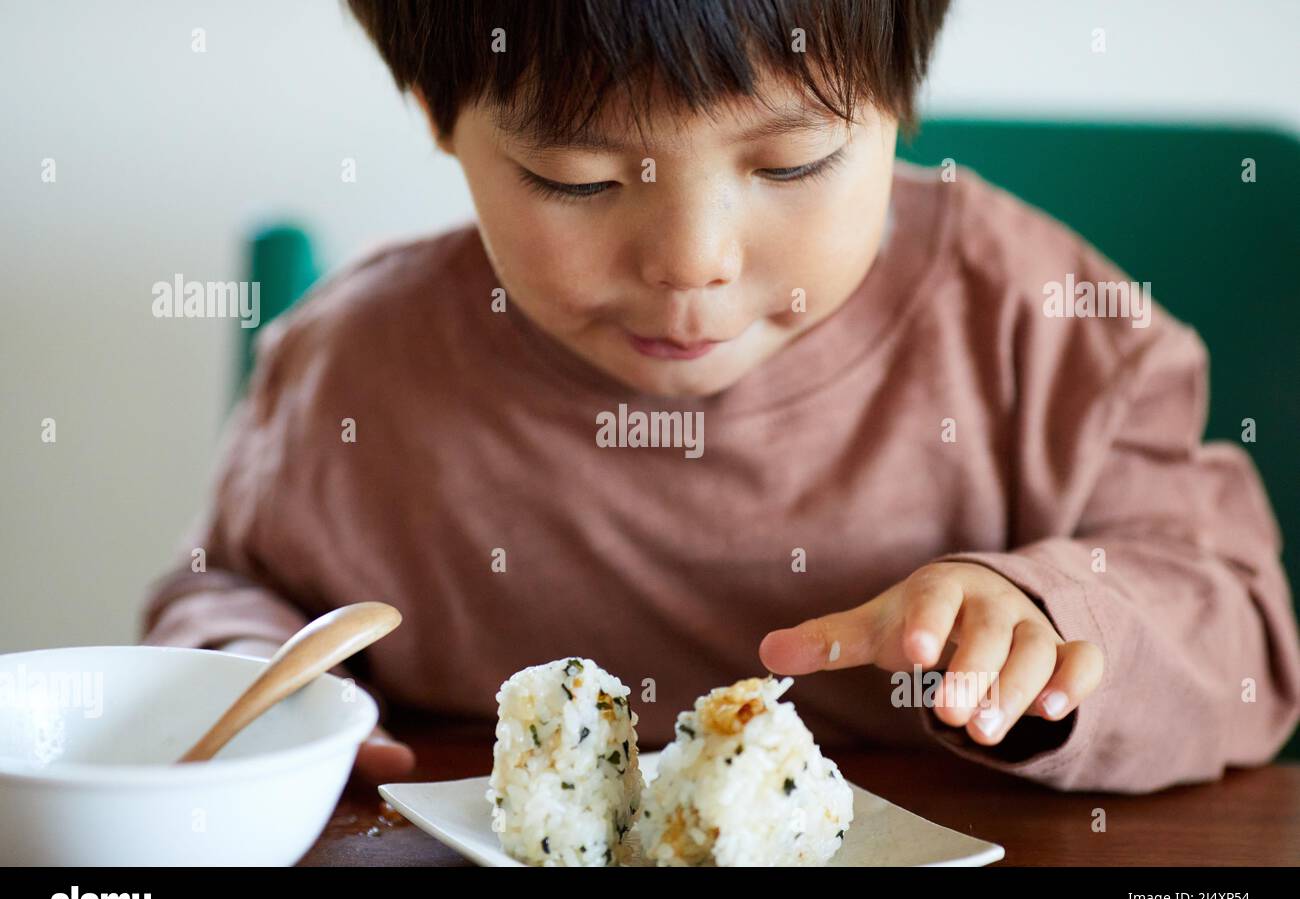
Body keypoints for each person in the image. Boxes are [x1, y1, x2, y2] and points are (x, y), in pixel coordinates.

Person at [142, 0, 1300, 793]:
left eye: (789, 165)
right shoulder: (353, 371)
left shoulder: (1042, 327)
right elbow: (233, 594)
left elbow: (1241, 634)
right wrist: (280, 709)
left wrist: (1048, 621)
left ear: (900, 104)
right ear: (441, 121)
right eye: (576, 178)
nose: (691, 260)